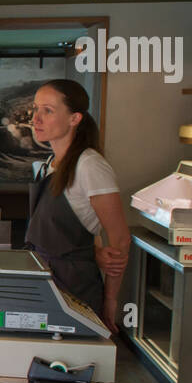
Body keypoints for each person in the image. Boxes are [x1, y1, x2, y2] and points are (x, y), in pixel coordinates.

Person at [26, 79, 132, 334]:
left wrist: (109, 302)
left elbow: (120, 240)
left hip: (75, 290)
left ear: (74, 118)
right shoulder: (50, 163)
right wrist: (95, 252)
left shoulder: (90, 166)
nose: (36, 119)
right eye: (35, 109)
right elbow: (84, 229)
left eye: (48, 111)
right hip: (45, 280)